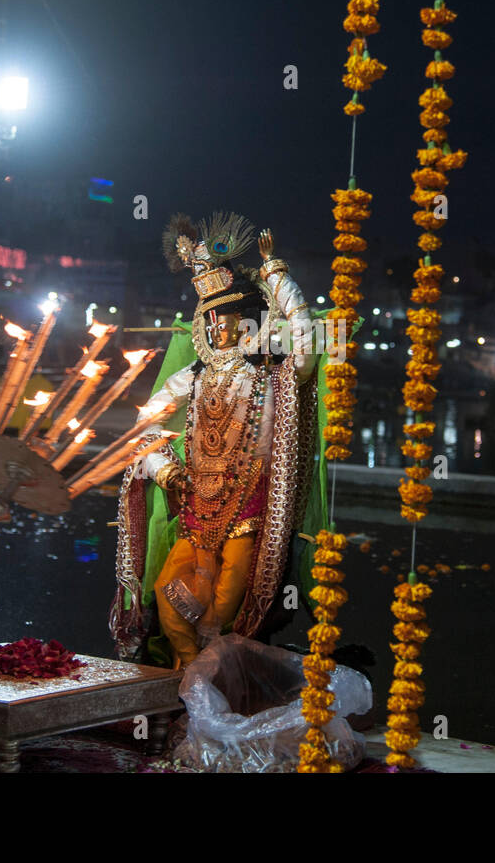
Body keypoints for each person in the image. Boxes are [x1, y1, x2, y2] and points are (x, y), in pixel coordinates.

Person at [110, 213, 323, 668]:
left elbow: (307, 340)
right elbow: (143, 426)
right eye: (210, 320)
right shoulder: (194, 375)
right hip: (196, 505)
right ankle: (189, 675)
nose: (218, 329)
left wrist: (276, 274)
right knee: (171, 599)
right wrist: (164, 467)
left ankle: (215, 678)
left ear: (249, 322)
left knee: (224, 606)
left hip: (248, 503)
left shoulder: (273, 373)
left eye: (228, 319)